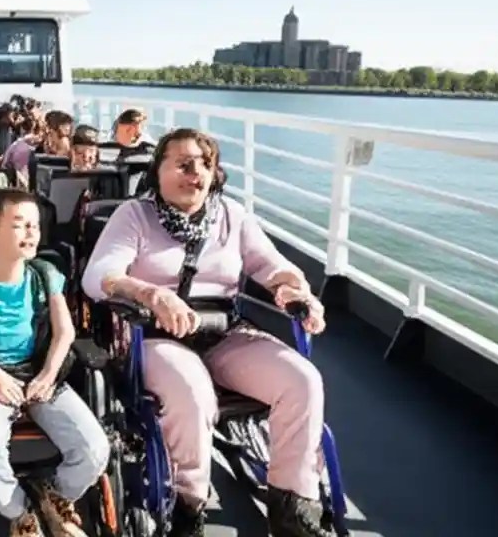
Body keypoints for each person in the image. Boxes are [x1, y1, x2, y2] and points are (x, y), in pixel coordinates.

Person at [80, 127, 329, 537]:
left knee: (302, 380)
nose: (194, 171)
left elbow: (271, 265)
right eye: (182, 163)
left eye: (204, 163)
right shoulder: (134, 216)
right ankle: (188, 508)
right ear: (157, 170)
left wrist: (294, 289)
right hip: (156, 336)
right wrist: (151, 294)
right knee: (193, 394)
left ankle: (293, 510)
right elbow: (99, 276)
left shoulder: (232, 216)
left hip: (222, 332)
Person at [0, 189, 110, 537]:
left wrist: (48, 374)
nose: (31, 233)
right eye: (20, 225)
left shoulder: (45, 274)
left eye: (35, 226)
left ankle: (53, 495)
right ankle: (21, 513)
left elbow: (64, 332)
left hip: (41, 373)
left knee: (96, 448)